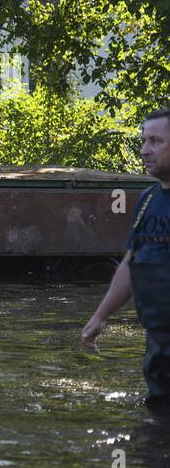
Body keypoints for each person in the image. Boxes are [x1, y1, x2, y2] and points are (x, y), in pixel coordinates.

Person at [82, 108, 170, 413]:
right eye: (144, 141)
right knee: (156, 430)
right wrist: (100, 316)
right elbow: (133, 261)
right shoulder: (147, 200)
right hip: (158, 346)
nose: (145, 150)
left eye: (156, 141)